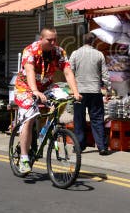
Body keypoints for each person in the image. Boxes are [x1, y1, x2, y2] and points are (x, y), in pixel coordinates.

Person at [14, 28, 81, 176]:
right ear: (41, 39)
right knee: (30, 118)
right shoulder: (30, 51)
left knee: (63, 98)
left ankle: (45, 129)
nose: (52, 43)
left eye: (54, 40)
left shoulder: (59, 52)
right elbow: (30, 71)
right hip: (26, 88)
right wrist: (35, 91)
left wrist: (75, 92)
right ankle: (24, 158)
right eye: (49, 40)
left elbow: (67, 72)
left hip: (46, 86)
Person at [69, 32, 111, 155]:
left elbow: (70, 72)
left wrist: (71, 89)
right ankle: (102, 147)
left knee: (79, 119)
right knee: (97, 119)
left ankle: (79, 146)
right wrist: (108, 89)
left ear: (83, 41)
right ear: (94, 42)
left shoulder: (75, 54)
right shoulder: (99, 54)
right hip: (95, 91)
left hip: (79, 92)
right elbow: (105, 75)